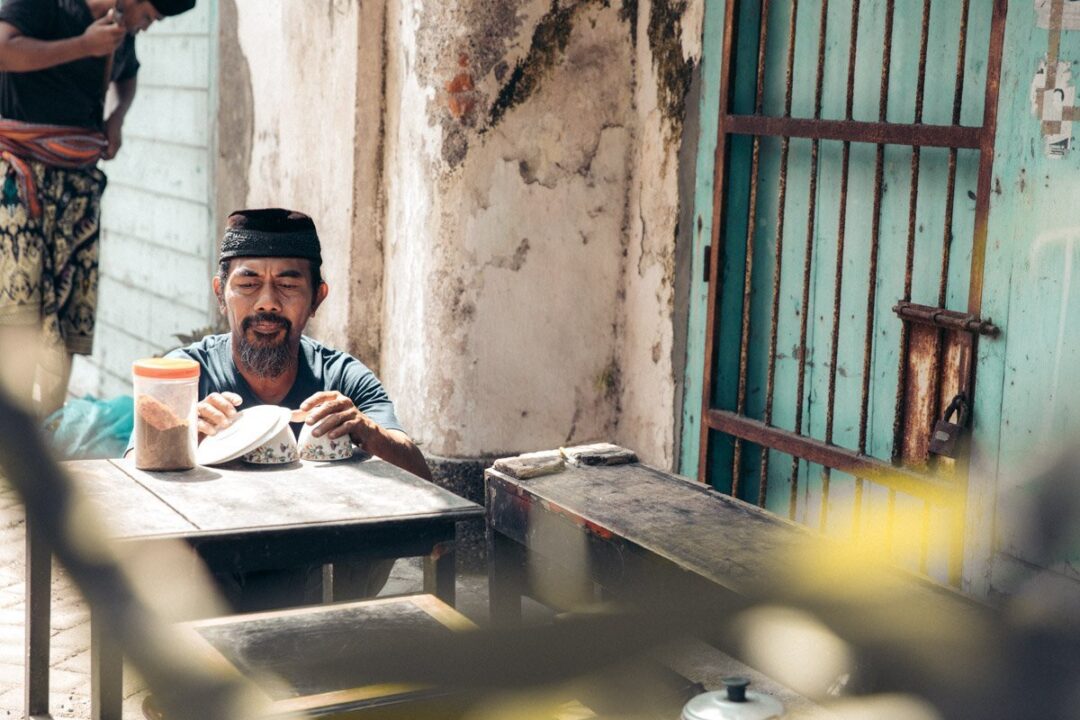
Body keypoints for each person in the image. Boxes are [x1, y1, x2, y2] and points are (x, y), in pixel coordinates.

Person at [165, 207, 432, 610]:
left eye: (288, 284)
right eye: (249, 284)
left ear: (316, 298)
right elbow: (136, 479)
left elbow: (422, 483)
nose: (268, 303)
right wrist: (184, 439)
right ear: (221, 293)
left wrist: (367, 432)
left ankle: (332, 636)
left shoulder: (341, 376)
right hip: (212, 577)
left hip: (318, 570)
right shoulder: (184, 374)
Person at [0, 0, 196, 416]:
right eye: (150, 16)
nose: (147, 26)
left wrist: (117, 117)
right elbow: (4, 49)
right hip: (18, 181)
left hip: (79, 187)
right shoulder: (44, 5)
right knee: (15, 311)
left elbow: (129, 76)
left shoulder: (118, 31)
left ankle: (49, 431)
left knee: (71, 313)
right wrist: (83, 46)